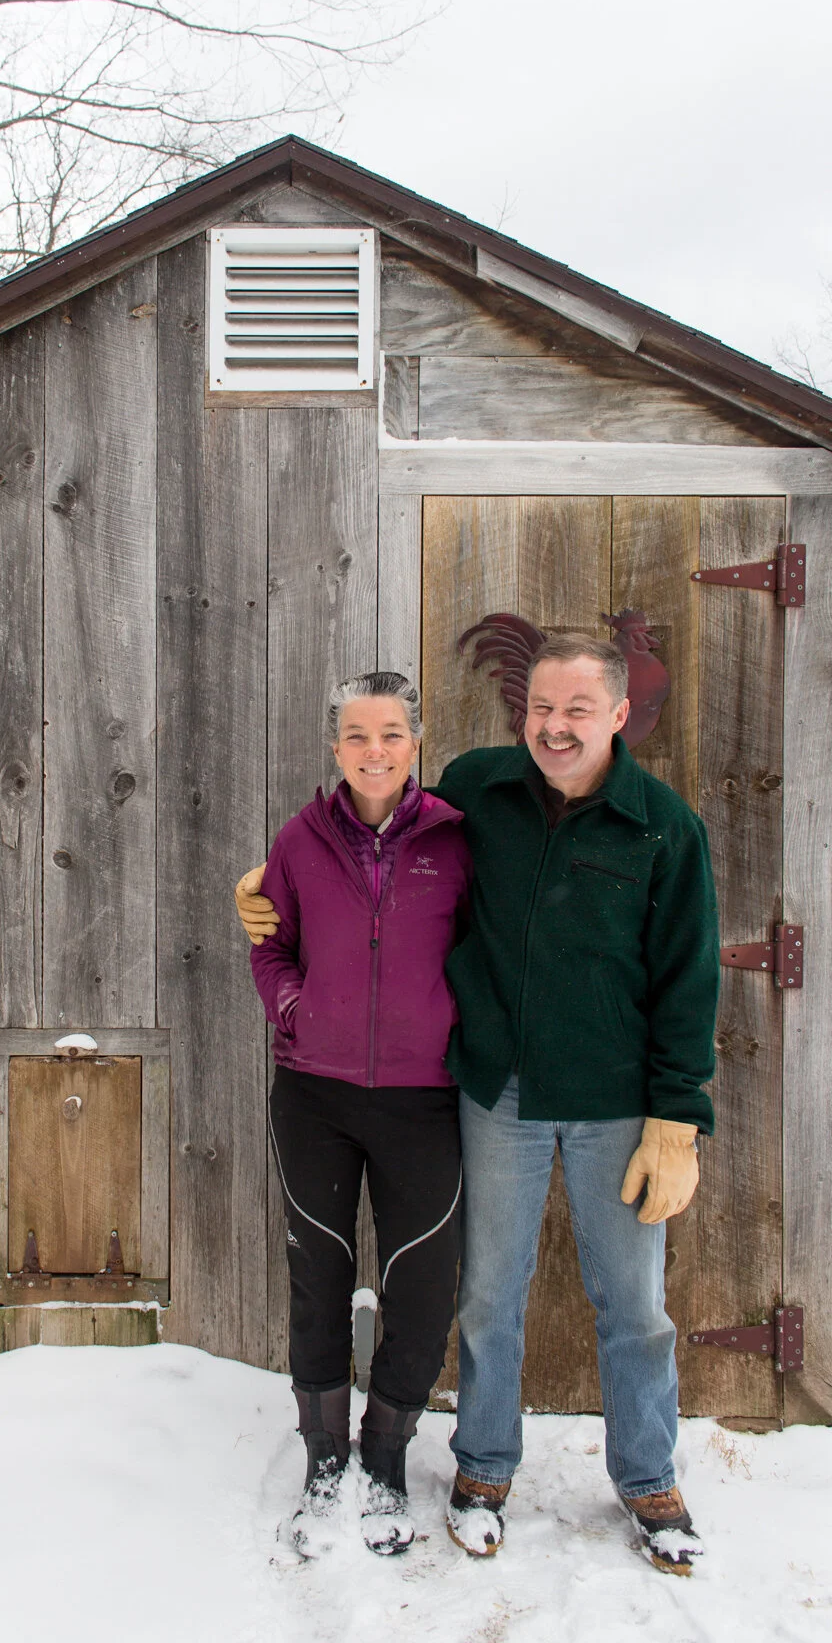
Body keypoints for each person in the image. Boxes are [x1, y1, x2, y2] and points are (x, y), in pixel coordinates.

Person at [237, 635, 719, 1577]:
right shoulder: (481, 795)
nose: (555, 727)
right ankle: (484, 1468)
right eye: (541, 708)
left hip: (616, 1102)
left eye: (578, 710)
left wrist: (678, 1114)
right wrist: (259, 890)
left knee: (634, 1303)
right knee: (489, 1294)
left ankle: (649, 1475)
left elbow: (689, 979)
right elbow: (363, 857)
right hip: (495, 1091)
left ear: (618, 715)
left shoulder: (664, 826)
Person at [250, 670, 470, 1557]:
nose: (372, 751)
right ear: (334, 747)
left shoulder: (458, 839)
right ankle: (323, 1458)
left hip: (426, 1099)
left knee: (422, 1279)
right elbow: (273, 946)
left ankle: (384, 1456)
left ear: (416, 743)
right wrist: (296, 1009)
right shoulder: (300, 841)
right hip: (317, 1093)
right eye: (355, 735)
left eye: (390, 734)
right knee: (321, 1273)